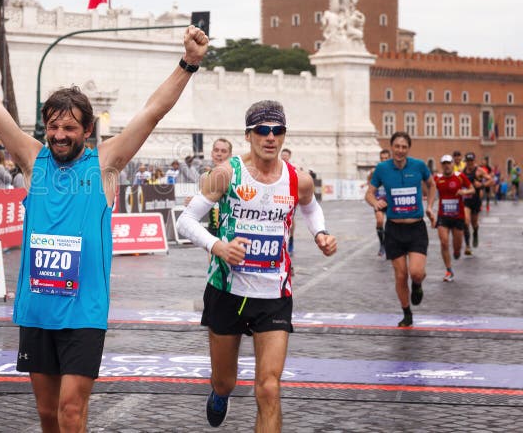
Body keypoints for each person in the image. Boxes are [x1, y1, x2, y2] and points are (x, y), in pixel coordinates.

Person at [0, 12, 208, 432]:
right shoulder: (33, 159)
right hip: (37, 310)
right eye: (52, 126)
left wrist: (188, 63)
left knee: (70, 411)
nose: (59, 134)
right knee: (48, 415)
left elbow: (151, 112)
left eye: (69, 127)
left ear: (87, 130)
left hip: (84, 313)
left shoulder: (106, 163)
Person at [176, 100, 336, 431]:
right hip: (227, 291)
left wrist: (320, 233)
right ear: (248, 135)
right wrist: (218, 246)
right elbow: (185, 221)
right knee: (225, 381)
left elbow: (310, 206)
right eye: (262, 130)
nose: (270, 138)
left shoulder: (297, 179)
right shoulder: (225, 174)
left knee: (269, 388)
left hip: (274, 293)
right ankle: (219, 393)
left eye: (277, 131)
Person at [365, 131, 435, 327]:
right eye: (397, 146)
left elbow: (431, 185)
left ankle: (418, 285)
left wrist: (430, 206)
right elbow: (369, 193)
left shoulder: (419, 166)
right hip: (394, 230)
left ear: (408, 149)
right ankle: (407, 313)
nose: (400, 150)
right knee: (401, 274)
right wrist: (375, 203)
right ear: (392, 147)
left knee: (416, 272)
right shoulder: (382, 168)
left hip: (416, 228)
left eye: (404, 147)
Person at [431, 154, 474, 281]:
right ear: (441, 166)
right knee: (444, 243)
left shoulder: (460, 176)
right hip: (443, 216)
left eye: (448, 163)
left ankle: (456, 252)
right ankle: (449, 271)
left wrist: (464, 192)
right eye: (444, 164)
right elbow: (430, 190)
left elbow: (472, 189)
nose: (446, 166)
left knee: (457, 247)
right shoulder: (437, 178)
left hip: (457, 216)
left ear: (452, 164)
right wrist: (430, 209)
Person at [461, 152, 491, 256]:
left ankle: (475, 232)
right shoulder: (463, 171)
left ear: (474, 161)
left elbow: (490, 180)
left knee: (474, 223)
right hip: (466, 200)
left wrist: (481, 185)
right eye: (468, 161)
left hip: (476, 200)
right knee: (465, 221)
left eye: (471, 161)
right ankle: (467, 246)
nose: (469, 163)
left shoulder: (479, 171)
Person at [366, 149, 391, 257]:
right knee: (380, 221)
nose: (383, 160)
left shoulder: (393, 170)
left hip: (390, 202)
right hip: (379, 201)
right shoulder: (375, 172)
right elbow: (370, 186)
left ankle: (389, 244)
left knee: (391, 225)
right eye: (382, 158)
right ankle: (382, 245)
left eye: (386, 158)